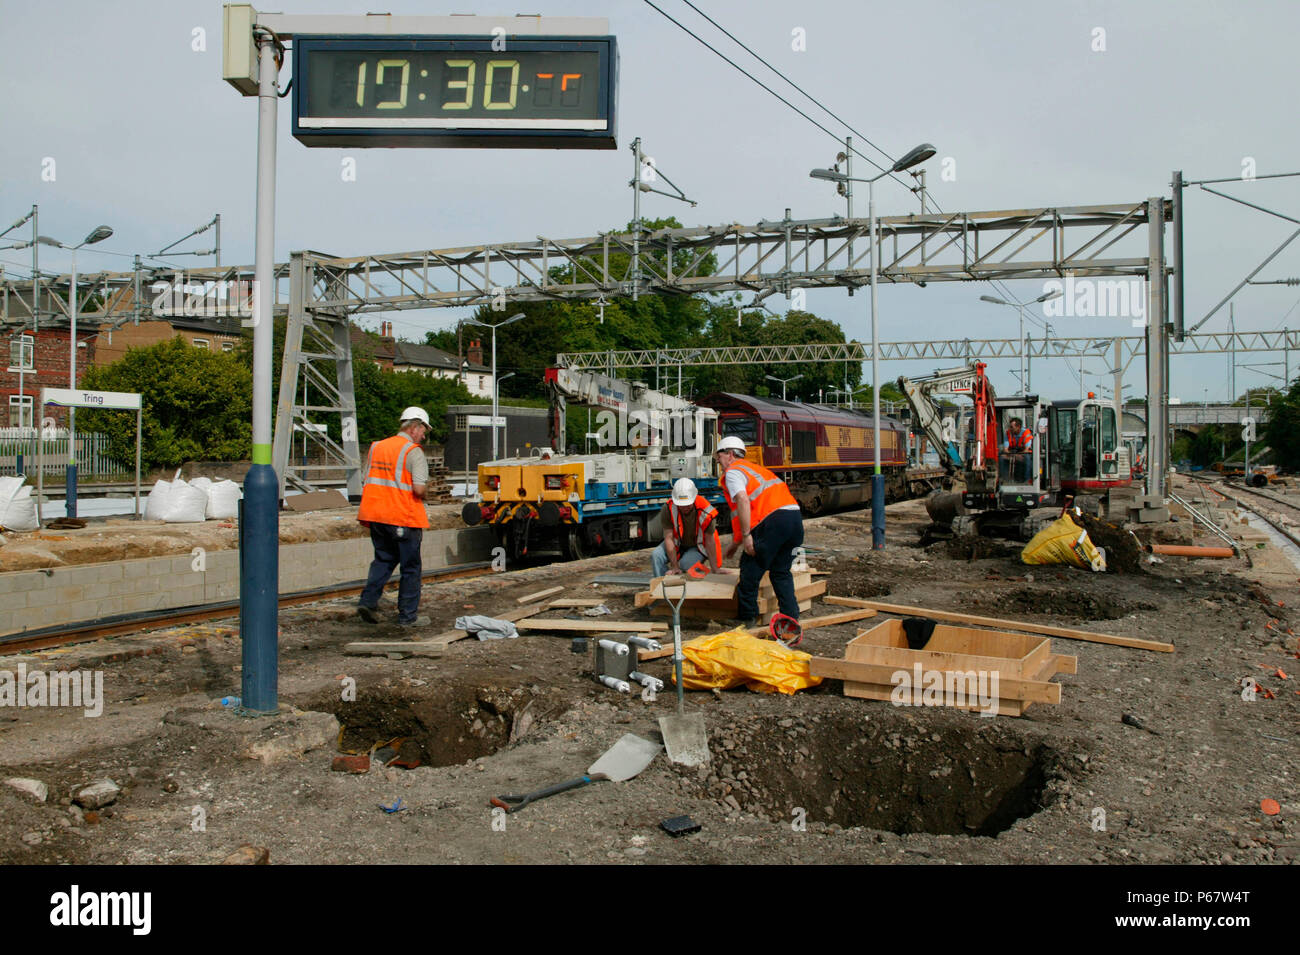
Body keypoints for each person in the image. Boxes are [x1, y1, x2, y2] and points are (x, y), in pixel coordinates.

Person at [714, 435, 804, 626]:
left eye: (719, 457)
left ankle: (747, 618)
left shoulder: (733, 472)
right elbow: (742, 513)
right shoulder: (757, 470)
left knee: (750, 569)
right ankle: (791, 617)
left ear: (730, 454)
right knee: (780, 572)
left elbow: (743, 501)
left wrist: (747, 537)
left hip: (772, 521)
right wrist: (736, 542)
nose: (719, 462)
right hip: (794, 519)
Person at [356, 407, 432, 627]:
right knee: (410, 567)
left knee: (383, 559)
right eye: (424, 430)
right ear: (415, 426)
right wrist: (427, 493)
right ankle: (408, 618)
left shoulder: (376, 447)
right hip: (402, 516)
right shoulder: (413, 451)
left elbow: (369, 478)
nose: (424, 436)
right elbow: (418, 489)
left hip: (376, 516)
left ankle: (368, 601)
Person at [651, 477, 722, 577]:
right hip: (677, 542)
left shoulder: (707, 511)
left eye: (687, 504)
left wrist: (715, 568)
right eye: (681, 505)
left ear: (694, 498)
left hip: (698, 546)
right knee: (656, 555)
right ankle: (662, 587)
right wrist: (674, 567)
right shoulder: (668, 508)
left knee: (686, 565)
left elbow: (710, 540)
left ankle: (701, 572)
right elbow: (669, 538)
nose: (684, 508)